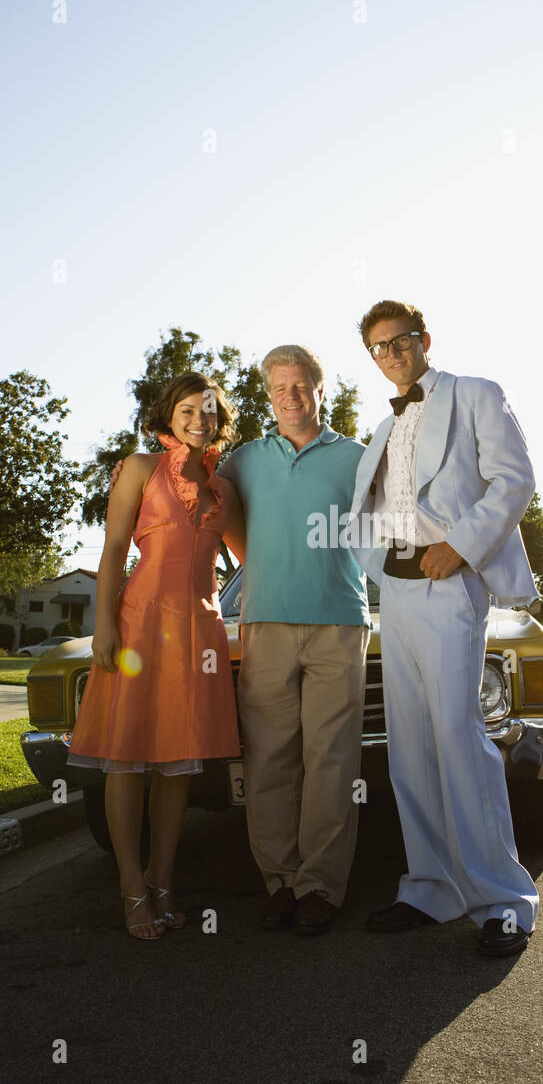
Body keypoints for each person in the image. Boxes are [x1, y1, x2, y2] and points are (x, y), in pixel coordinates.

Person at [347, 300, 540, 957]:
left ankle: (504, 902)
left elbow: (514, 481)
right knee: (411, 747)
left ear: (423, 340)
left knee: (460, 738)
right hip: (396, 592)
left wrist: (458, 547)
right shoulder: (381, 426)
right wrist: (376, 565)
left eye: (399, 341)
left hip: (451, 582)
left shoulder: (476, 395)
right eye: (378, 347)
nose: (392, 354)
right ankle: (431, 888)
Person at [69, 373, 244, 940]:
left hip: (200, 633)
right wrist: (102, 627)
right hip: (140, 624)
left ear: (221, 418)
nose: (199, 418)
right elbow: (115, 549)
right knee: (129, 760)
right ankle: (131, 887)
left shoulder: (222, 486)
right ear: (168, 416)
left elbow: (248, 556)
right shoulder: (139, 468)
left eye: (209, 409)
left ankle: (163, 881)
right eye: (187, 408)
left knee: (178, 765)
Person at [215, 346, 370, 935]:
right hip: (265, 623)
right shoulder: (243, 460)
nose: (291, 396)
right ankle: (279, 881)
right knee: (270, 758)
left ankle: (321, 889)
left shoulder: (358, 456)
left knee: (330, 760)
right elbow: (216, 512)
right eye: (280, 387)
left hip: (339, 621)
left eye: (301, 385)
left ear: (320, 389)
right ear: (268, 394)